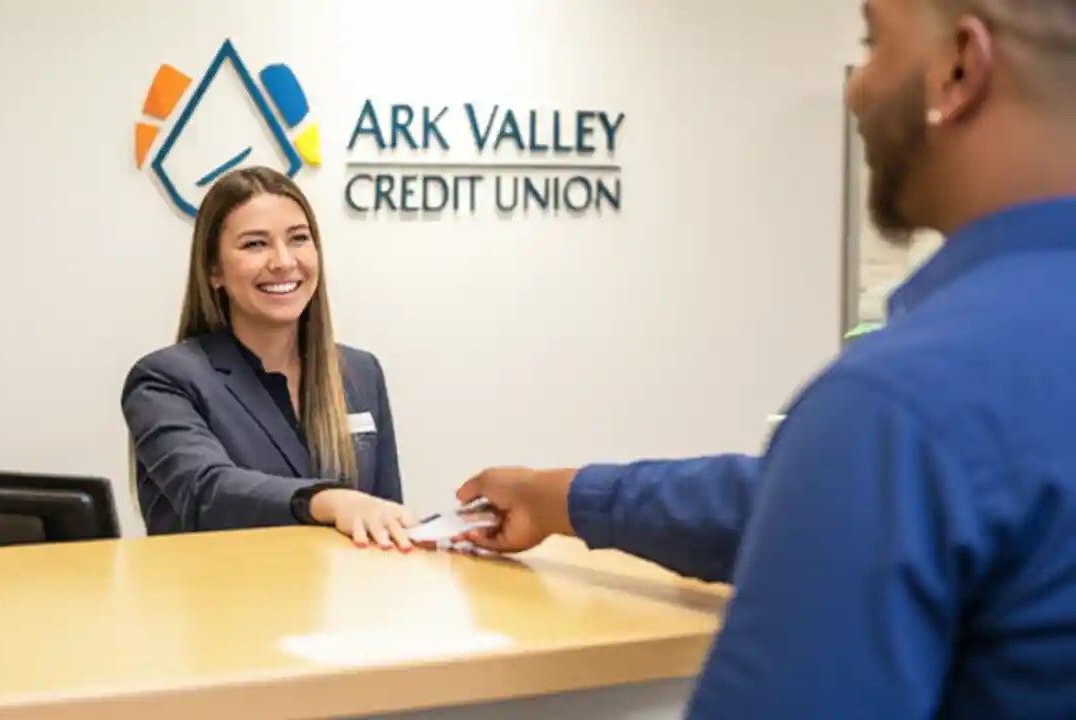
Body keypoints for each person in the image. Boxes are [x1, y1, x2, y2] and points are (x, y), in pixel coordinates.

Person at [455, 0, 1076, 717]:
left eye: (875, 44)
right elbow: (787, 502)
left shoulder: (901, 405)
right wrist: (562, 496)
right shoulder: (920, 427)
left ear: (960, 67)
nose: (855, 89)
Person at [122, 166, 416, 550]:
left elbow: (383, 516)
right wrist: (329, 501)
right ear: (214, 270)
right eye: (255, 244)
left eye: (298, 239)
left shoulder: (361, 373)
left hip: (344, 605)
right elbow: (205, 490)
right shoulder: (165, 380)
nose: (283, 261)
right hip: (218, 604)